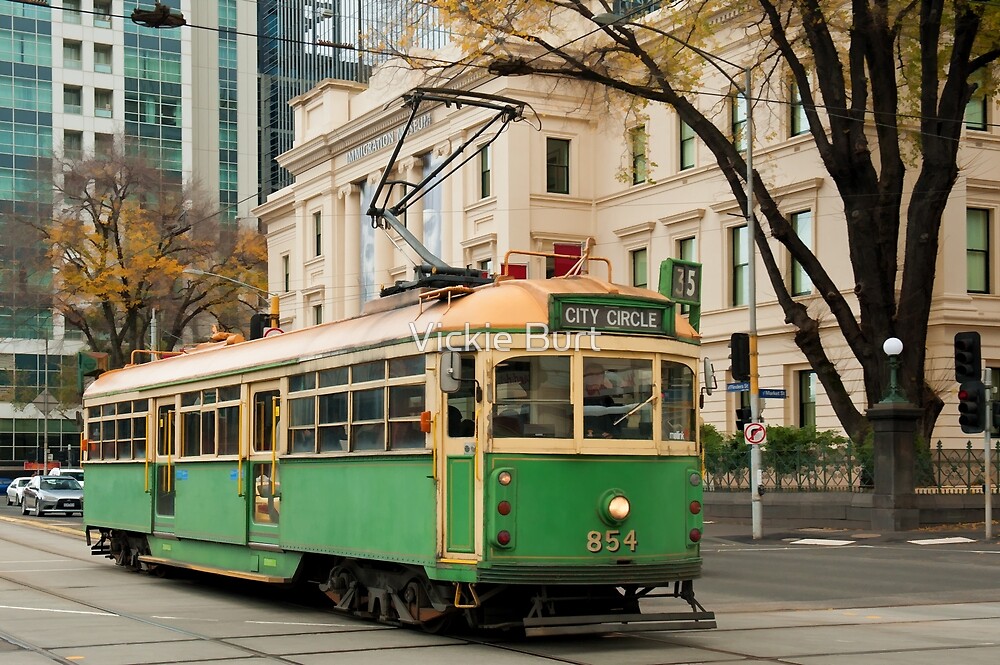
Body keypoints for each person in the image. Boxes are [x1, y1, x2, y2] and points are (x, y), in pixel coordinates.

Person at [583, 362, 619, 438]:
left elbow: (613, 423)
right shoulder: (579, 397)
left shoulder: (607, 399)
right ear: (585, 378)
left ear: (603, 378)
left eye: (598, 375)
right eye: (591, 375)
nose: (595, 378)